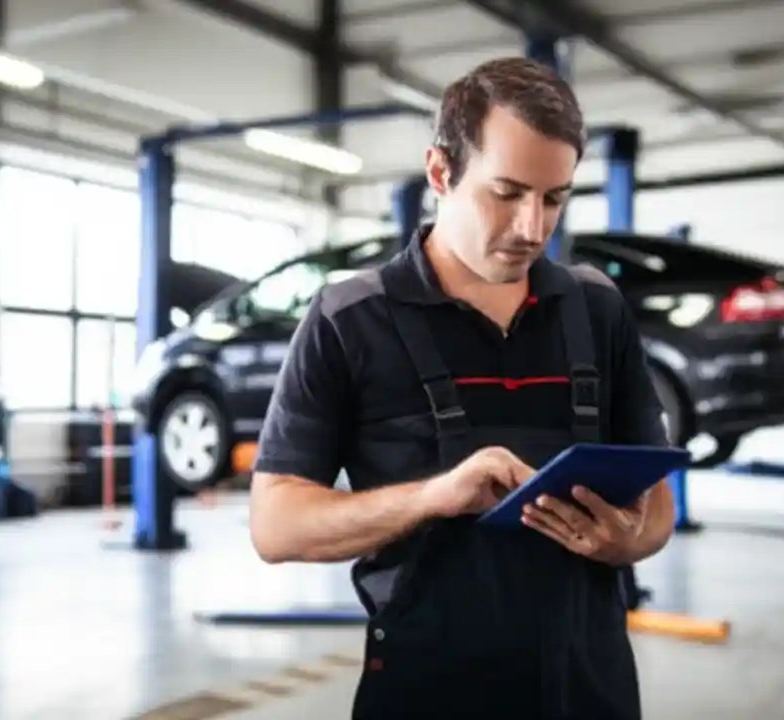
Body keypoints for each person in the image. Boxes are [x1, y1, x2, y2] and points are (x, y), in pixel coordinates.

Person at [248, 56, 678, 719]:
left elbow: (656, 508)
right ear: (441, 172)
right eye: (506, 193)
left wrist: (628, 542)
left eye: (554, 198)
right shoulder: (350, 318)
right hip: (428, 692)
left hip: (591, 687)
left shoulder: (595, 308)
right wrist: (433, 497)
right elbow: (276, 525)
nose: (533, 227)